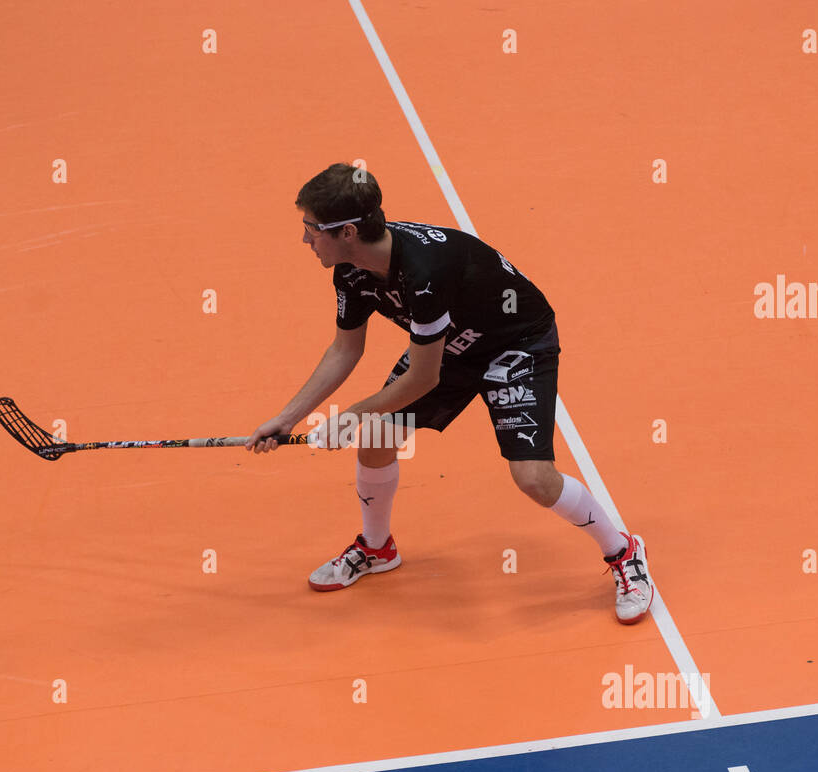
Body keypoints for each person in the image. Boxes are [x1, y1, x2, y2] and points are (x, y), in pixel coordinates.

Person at [245, 163, 654, 624]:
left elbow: (423, 379)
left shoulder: (424, 271)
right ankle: (377, 548)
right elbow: (345, 349)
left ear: (349, 232)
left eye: (312, 229)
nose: (306, 240)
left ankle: (623, 552)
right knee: (377, 439)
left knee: (534, 479)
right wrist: (289, 416)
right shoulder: (352, 270)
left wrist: (353, 413)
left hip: (514, 343)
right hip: (447, 346)